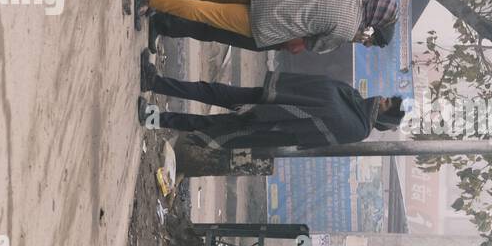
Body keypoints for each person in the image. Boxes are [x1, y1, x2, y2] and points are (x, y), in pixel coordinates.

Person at [137, 66, 406, 151]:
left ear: (383, 116)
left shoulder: (357, 128)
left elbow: (312, 119)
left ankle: (155, 118)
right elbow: (320, 87)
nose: (382, 98)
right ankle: (157, 83)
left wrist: (264, 114)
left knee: (208, 125)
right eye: (387, 98)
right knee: (215, 91)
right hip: (272, 100)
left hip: (270, 123)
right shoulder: (355, 98)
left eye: (386, 104)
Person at [134, 0, 398, 56]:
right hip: (268, 21)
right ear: (373, 25)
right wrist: (351, 38)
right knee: (206, 13)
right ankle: (151, 0)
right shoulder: (346, 29)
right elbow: (300, 46)